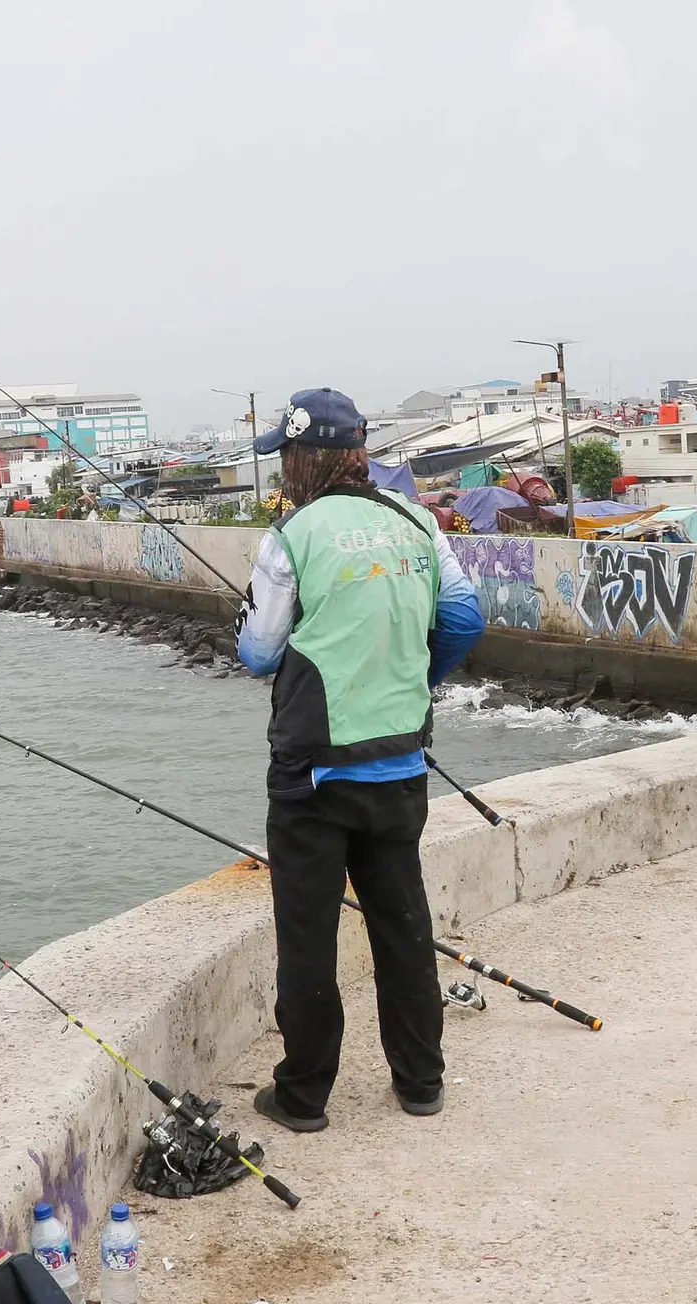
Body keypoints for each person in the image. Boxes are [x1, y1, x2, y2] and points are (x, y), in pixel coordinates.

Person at [233, 388, 485, 1133]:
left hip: (313, 773)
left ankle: (304, 1096)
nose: (281, 466)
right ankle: (420, 1082)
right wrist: (415, 681)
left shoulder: (293, 535)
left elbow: (257, 654)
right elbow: (465, 617)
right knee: (403, 924)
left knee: (307, 937)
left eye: (284, 453)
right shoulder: (417, 522)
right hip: (401, 762)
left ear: (305, 457)